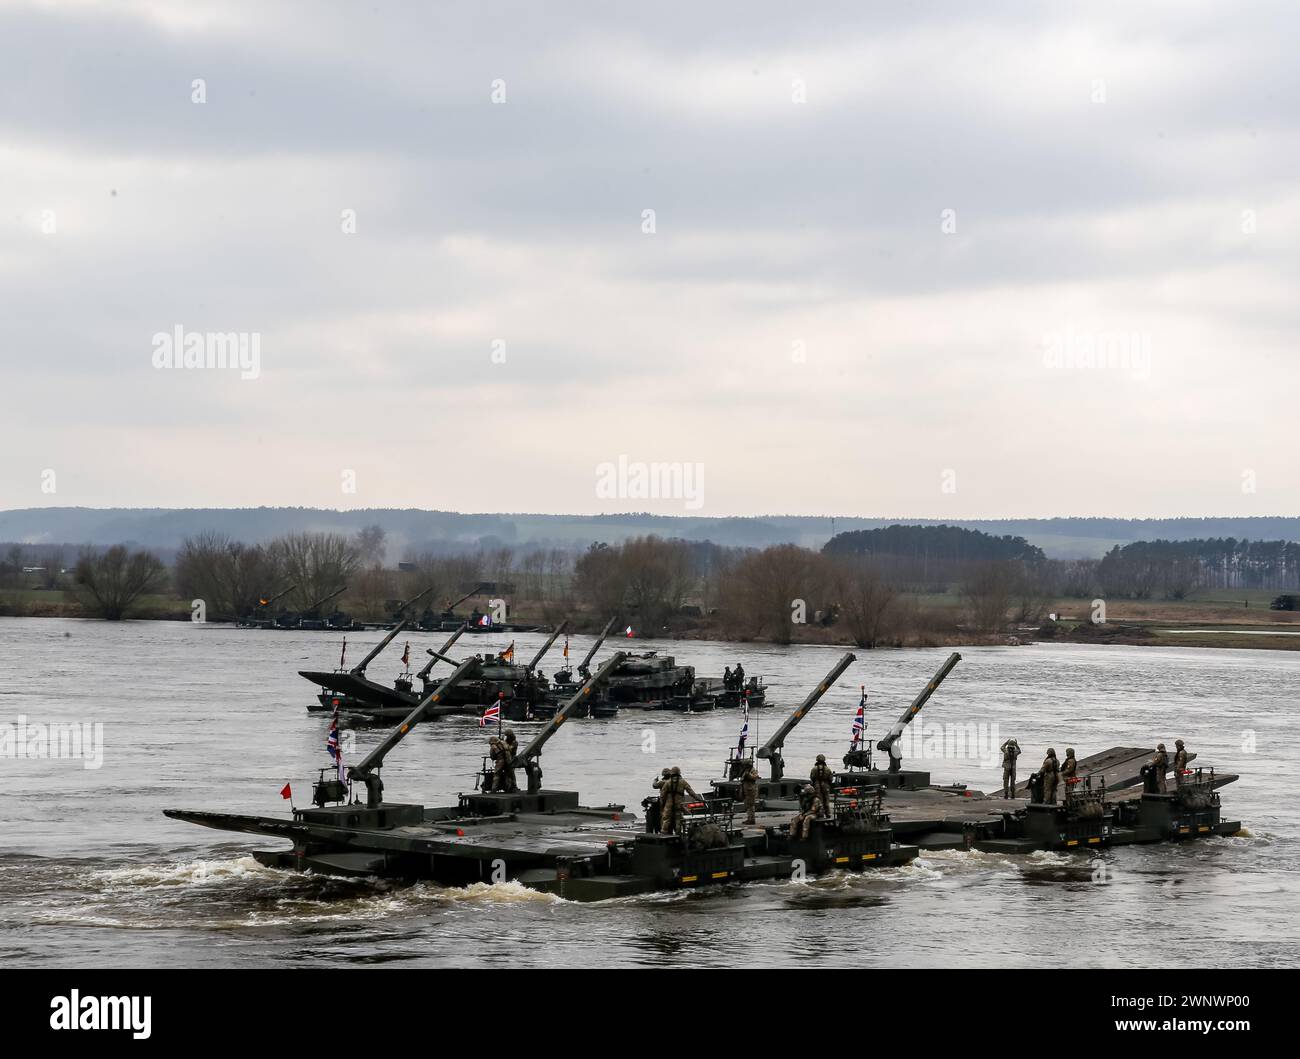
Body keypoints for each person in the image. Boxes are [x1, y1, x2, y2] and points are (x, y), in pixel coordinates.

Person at [651, 767, 672, 833]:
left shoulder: (663, 782)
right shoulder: (675, 781)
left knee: (663, 816)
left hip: (665, 801)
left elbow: (654, 786)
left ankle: (663, 830)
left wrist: (655, 780)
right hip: (674, 801)